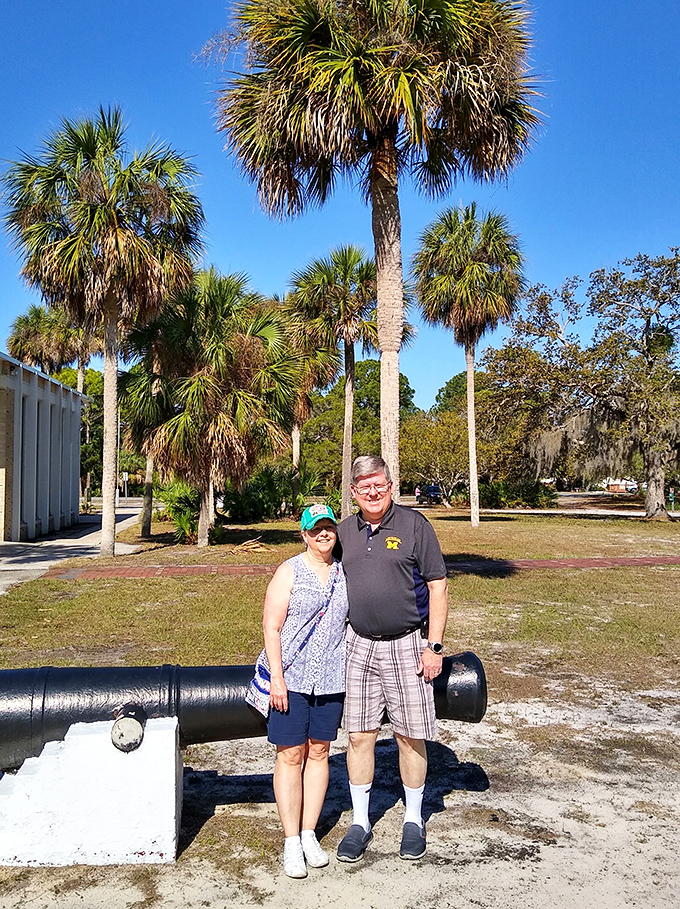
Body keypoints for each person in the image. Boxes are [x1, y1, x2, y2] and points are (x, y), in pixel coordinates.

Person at [335, 455, 448, 862]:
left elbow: (438, 586)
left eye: (379, 484)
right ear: (353, 492)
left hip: (406, 643)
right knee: (359, 735)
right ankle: (361, 822)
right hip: (358, 644)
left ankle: (413, 820)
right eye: (364, 486)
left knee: (409, 734)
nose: (372, 491)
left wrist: (433, 646)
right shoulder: (344, 532)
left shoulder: (415, 525)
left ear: (390, 483)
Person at [261, 503, 348, 879]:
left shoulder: (345, 573)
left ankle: (310, 832)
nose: (323, 534)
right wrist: (277, 678)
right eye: (316, 529)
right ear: (304, 534)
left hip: (331, 677)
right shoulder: (290, 571)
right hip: (292, 679)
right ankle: (291, 839)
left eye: (328, 527)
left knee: (320, 751)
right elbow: (271, 627)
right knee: (291, 754)